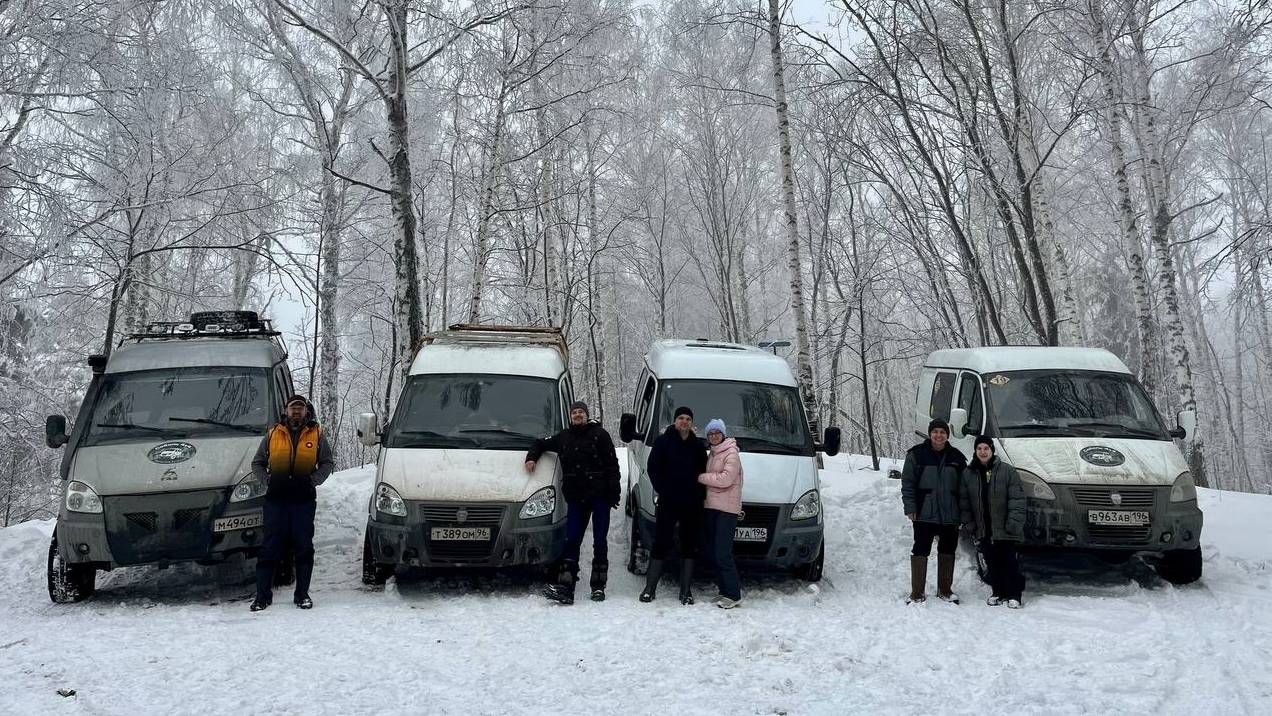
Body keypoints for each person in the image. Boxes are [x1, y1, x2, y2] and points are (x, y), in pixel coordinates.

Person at [526, 400, 621, 605]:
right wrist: (531, 457)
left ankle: (598, 585)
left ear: (587, 415)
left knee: (600, 539)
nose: (578, 415)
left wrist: (614, 492)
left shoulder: (600, 435)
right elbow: (540, 443)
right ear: (570, 416)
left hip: (600, 496)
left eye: (581, 412)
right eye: (574, 412)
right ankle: (566, 586)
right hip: (576, 497)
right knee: (572, 540)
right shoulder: (564, 437)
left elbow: (612, 465)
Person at [250, 394, 334, 612]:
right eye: (292, 408)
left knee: (304, 547)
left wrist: (312, 481)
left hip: (303, 502)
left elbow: (327, 463)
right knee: (269, 547)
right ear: (285, 411)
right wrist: (267, 480)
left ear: (306, 411)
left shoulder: (316, 434)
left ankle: (302, 594)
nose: (296, 412)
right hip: (276, 501)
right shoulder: (273, 433)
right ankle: (262, 596)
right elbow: (257, 463)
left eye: (300, 408)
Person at [641, 406, 708, 604]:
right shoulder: (663, 442)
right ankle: (649, 588)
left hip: (692, 504)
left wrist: (700, 495)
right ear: (674, 421)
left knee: (689, 545)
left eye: (688, 418)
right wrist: (663, 489)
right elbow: (653, 468)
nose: (684, 422)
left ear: (692, 423)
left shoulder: (697, 446)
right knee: (661, 541)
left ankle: (685, 591)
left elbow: (703, 472)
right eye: (681, 418)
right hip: (668, 501)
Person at [900, 418, 968, 604]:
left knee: (947, 550)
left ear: (947, 435)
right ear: (930, 434)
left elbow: (964, 489)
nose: (939, 435)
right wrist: (911, 507)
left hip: (950, 514)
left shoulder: (957, 457)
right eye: (935, 431)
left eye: (942, 432)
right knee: (921, 550)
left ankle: (945, 590)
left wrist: (963, 513)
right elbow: (908, 483)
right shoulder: (916, 455)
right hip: (924, 512)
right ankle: (916, 593)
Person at [959, 435, 1027, 608]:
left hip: (1005, 527)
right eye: (979, 448)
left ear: (992, 450)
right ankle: (998, 592)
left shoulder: (1007, 471)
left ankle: (1014, 595)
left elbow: (1017, 499)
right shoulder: (968, 474)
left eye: (986, 448)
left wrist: (1014, 522)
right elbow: (964, 502)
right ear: (975, 451)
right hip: (983, 528)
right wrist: (970, 525)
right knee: (992, 562)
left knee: (1010, 562)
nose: (983, 452)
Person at [699, 419, 743, 609]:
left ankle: (733, 594)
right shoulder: (714, 453)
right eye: (710, 434)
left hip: (726, 509)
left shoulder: (731, 453)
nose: (714, 436)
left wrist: (700, 477)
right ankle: (724, 591)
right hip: (713, 507)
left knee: (722, 553)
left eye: (717, 433)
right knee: (713, 551)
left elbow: (726, 479)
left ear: (723, 434)